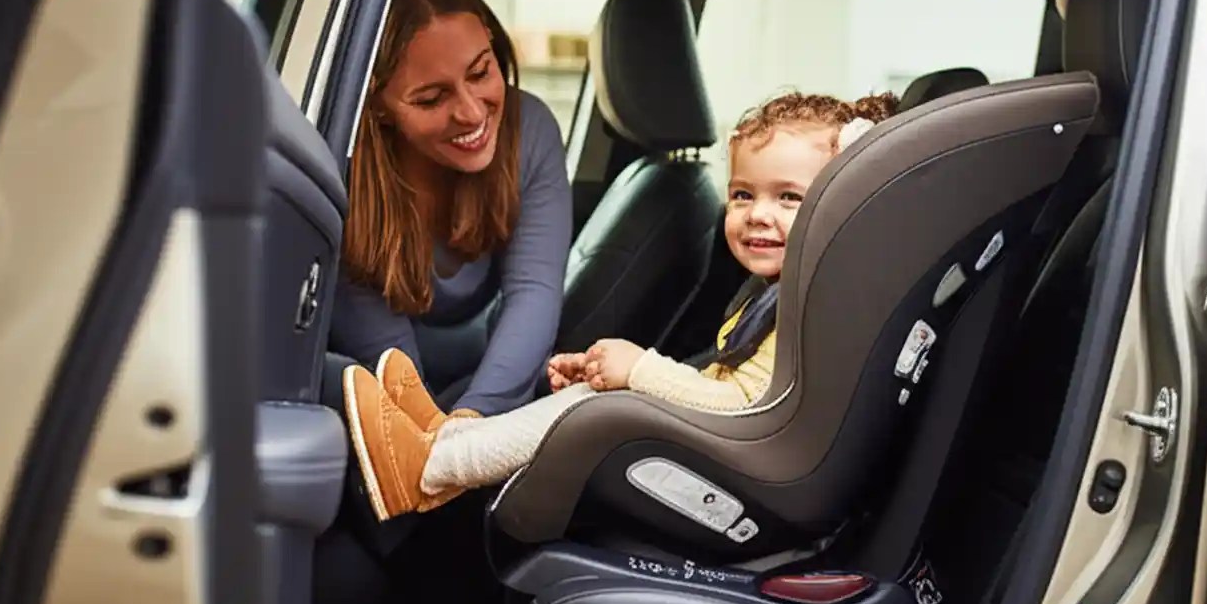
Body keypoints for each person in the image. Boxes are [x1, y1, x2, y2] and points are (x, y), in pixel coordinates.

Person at [343, 90, 899, 521]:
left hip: (751, 479)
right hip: (741, 452)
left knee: (589, 409)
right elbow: (731, 385)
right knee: (594, 397)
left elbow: (743, 407)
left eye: (790, 198)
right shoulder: (780, 288)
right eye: (743, 195)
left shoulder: (815, 304)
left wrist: (641, 371)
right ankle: (444, 442)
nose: (757, 214)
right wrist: (619, 371)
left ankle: (429, 470)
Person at [328, 0, 572, 419]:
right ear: (378, 105)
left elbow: (534, 293)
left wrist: (474, 422)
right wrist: (433, 439)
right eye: (432, 98)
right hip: (379, 389)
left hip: (483, 379)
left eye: (480, 72)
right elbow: (393, 371)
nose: (473, 113)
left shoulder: (530, 131)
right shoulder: (348, 178)